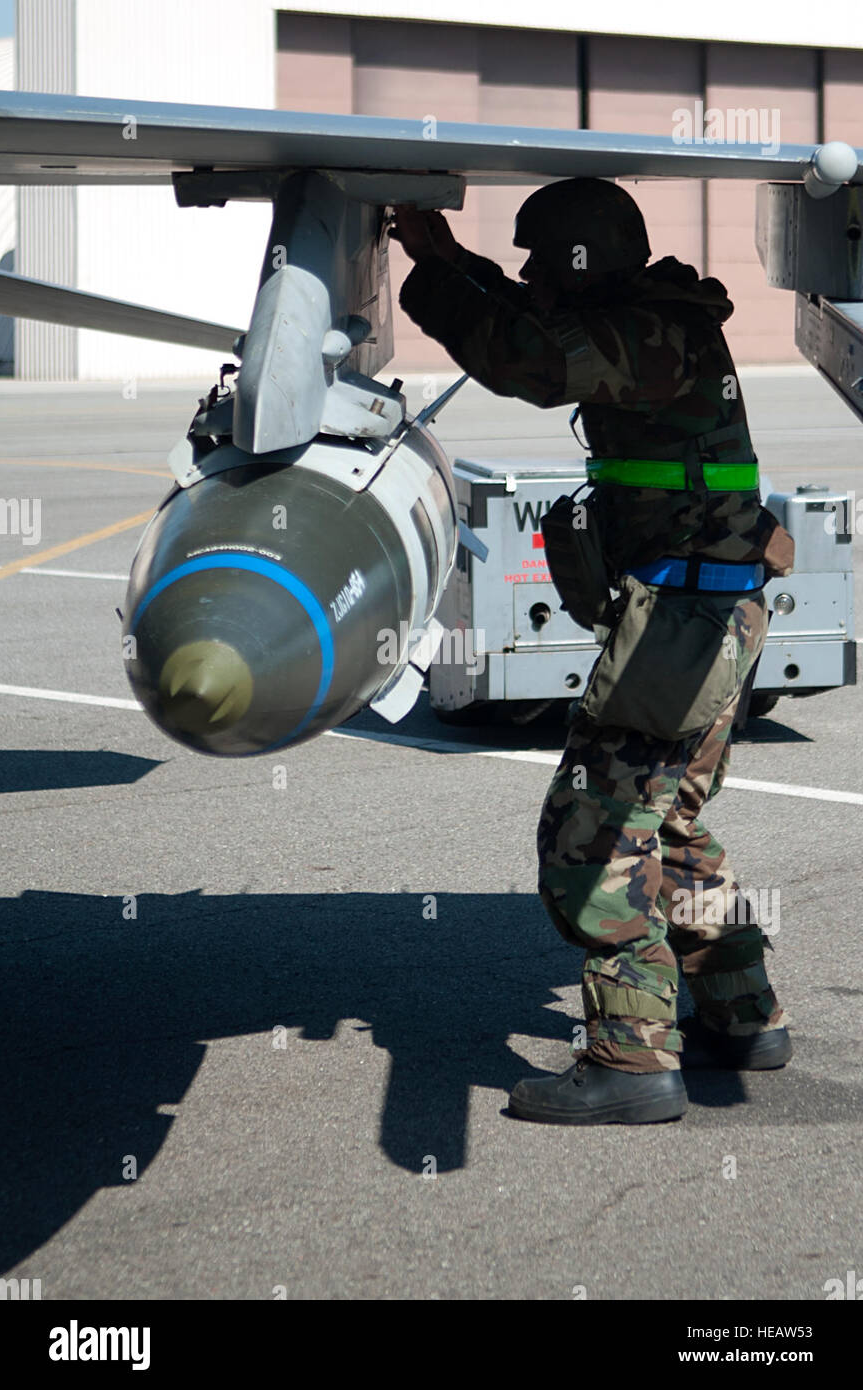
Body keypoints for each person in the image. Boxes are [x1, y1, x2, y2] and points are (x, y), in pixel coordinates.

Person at [391, 179, 793, 1125]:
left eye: (541, 255)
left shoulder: (651, 337)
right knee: (674, 822)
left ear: (582, 258)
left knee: (596, 836)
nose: (529, 271)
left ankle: (630, 1063)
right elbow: (534, 314)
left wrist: (441, 285)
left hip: (682, 633)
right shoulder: (647, 315)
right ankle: (744, 1017)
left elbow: (529, 357)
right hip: (710, 619)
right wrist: (441, 256)